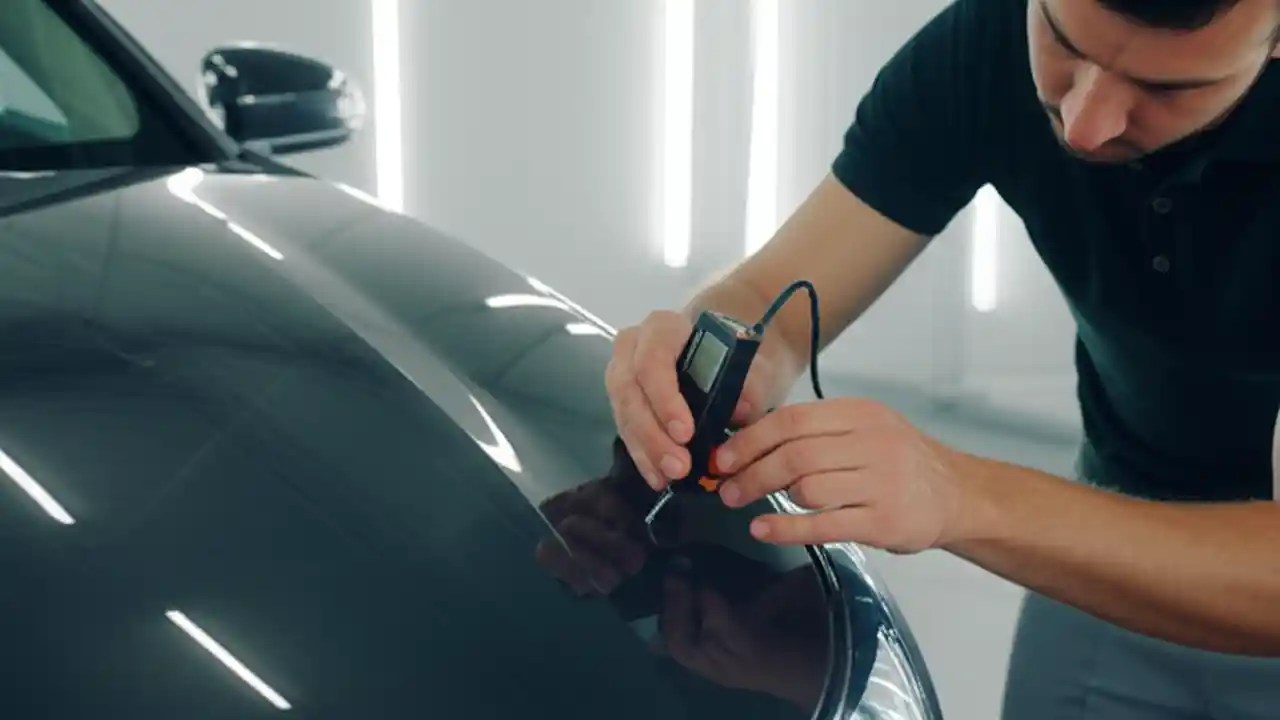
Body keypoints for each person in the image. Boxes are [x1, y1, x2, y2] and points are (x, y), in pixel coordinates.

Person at [603, 0, 1280, 717]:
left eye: (1168, 89)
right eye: (1062, 42)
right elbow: (769, 297)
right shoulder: (987, 42)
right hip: (1098, 543)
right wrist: (688, 366)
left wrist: (959, 495)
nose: (1084, 122)